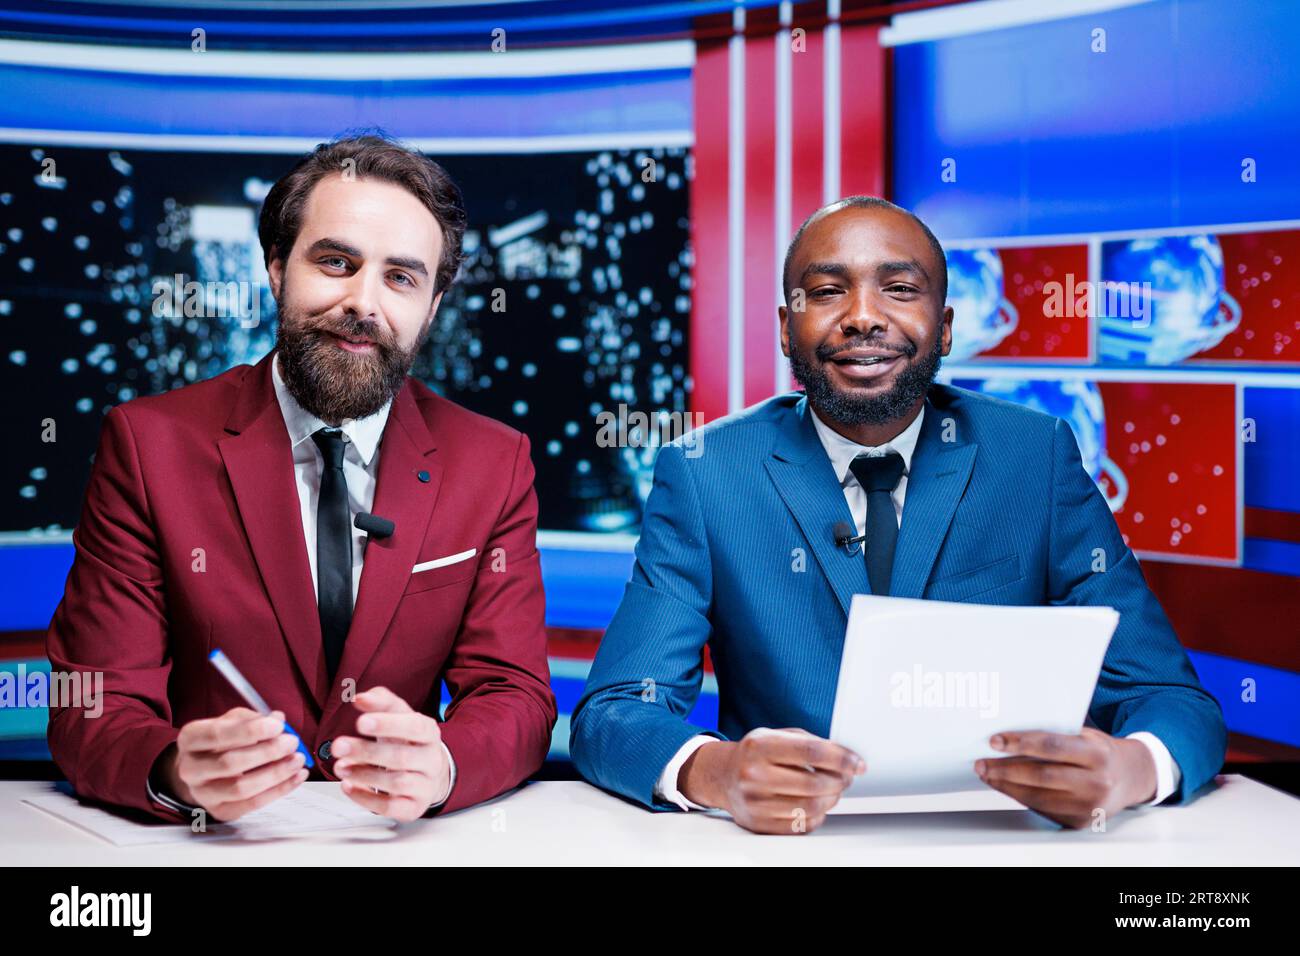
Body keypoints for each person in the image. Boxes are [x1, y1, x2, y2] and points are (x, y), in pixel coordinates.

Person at [570, 196, 1225, 834]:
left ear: (944, 326)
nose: (862, 317)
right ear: (784, 326)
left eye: (899, 290)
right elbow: (615, 712)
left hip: (998, 841)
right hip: (790, 848)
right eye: (827, 292)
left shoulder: (1036, 457)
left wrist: (1131, 769)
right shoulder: (706, 472)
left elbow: (1172, 698)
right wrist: (718, 771)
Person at [47, 135, 556, 824]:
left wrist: (445, 764)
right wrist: (173, 769)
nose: (363, 303)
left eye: (401, 277)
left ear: (432, 308)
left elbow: (515, 693)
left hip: (399, 848)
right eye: (336, 262)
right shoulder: (148, 445)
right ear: (277, 267)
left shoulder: (494, 462)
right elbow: (94, 699)